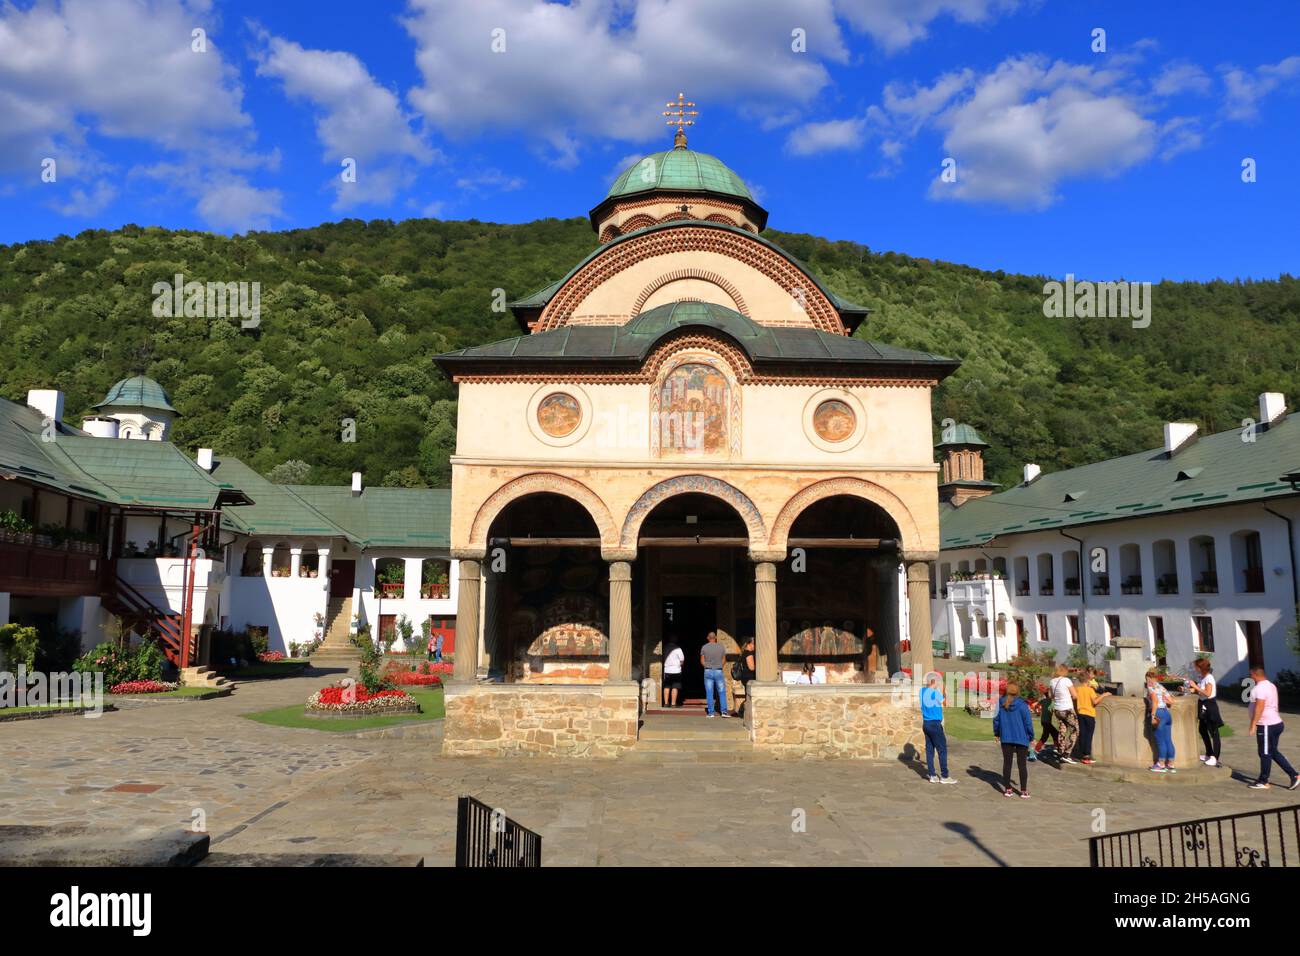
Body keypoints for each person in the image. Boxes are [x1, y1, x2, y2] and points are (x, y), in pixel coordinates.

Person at [1247, 666, 1299, 790]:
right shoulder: (1271, 685)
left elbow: (1260, 707)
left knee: (1264, 753)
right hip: (1276, 723)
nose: (1250, 677)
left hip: (1266, 725)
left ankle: (1263, 780)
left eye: (1251, 675)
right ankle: (1294, 775)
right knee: (1273, 752)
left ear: (1255, 674)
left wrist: (1253, 724)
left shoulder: (1259, 688)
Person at [993, 680, 1034, 798]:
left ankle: (1008, 789)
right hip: (1021, 738)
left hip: (1006, 737)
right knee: (1022, 765)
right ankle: (1023, 790)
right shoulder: (1022, 705)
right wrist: (1031, 736)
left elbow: (996, 720)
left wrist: (997, 733)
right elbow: (1028, 723)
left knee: (1007, 763)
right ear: (1017, 692)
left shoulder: (1000, 703)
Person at [919, 672, 957, 784]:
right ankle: (945, 776)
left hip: (926, 723)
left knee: (930, 750)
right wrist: (944, 691)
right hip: (935, 724)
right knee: (942, 750)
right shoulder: (936, 693)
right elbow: (946, 703)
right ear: (933, 682)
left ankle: (932, 775)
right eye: (937, 682)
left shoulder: (922, 691)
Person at [1185, 658, 1223, 767]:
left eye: (1196, 666)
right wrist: (1187, 689)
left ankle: (1215, 757)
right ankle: (1209, 753)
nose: (1194, 668)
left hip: (1210, 705)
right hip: (1203, 705)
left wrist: (1195, 686)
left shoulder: (1209, 678)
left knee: (1214, 732)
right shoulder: (1202, 678)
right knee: (1202, 729)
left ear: (1200, 667)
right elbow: (1199, 691)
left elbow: (1207, 693)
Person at [1074, 676, 1112, 764]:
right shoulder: (1090, 690)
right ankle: (1087, 756)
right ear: (1087, 681)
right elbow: (1095, 701)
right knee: (1089, 735)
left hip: (1080, 713)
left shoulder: (1078, 689)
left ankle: (1082, 754)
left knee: (1082, 734)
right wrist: (1104, 694)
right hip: (1089, 714)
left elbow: (1074, 698)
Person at [1147, 669, 1176, 773]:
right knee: (1168, 740)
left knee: (1160, 741)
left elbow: (1154, 701)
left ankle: (1161, 764)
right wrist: (1165, 701)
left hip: (1159, 713)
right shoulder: (1161, 686)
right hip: (1167, 714)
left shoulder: (1151, 686)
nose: (1148, 682)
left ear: (1150, 678)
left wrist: (1153, 716)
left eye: (1148, 679)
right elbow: (1172, 701)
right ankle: (1171, 764)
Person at [1049, 665, 1080, 764]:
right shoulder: (1066, 680)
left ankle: (1061, 751)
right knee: (1075, 730)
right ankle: (1067, 753)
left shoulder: (1052, 681)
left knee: (1062, 730)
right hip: (1067, 709)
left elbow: (1051, 696)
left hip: (1057, 710)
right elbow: (1075, 696)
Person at [700, 631, 729, 718]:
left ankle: (711, 713)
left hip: (708, 671)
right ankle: (724, 712)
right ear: (715, 637)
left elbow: (702, 660)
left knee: (709, 692)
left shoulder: (704, 647)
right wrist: (720, 666)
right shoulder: (721, 647)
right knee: (722, 692)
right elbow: (724, 659)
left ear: (708, 638)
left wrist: (707, 666)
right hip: (718, 670)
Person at [732, 638, 756, 717]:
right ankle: (745, 713)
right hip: (749, 677)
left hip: (745, 677)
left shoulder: (744, 652)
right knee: (749, 696)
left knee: (747, 695)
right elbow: (751, 667)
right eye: (754, 644)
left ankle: (744, 713)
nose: (755, 646)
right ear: (750, 644)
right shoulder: (749, 654)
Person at [1033, 684, 1056, 756]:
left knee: (1047, 735)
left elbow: (1035, 705)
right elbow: (1054, 709)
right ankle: (1057, 748)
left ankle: (1037, 749)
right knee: (1055, 734)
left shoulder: (1043, 700)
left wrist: (1037, 711)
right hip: (1047, 722)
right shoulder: (1052, 702)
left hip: (1043, 721)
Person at [662, 638, 685, 708]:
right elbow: (682, 659)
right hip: (676, 670)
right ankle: (673, 703)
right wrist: (681, 666)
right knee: (675, 687)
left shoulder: (665, 648)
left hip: (667, 670)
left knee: (666, 686)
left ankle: (666, 703)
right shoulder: (678, 649)